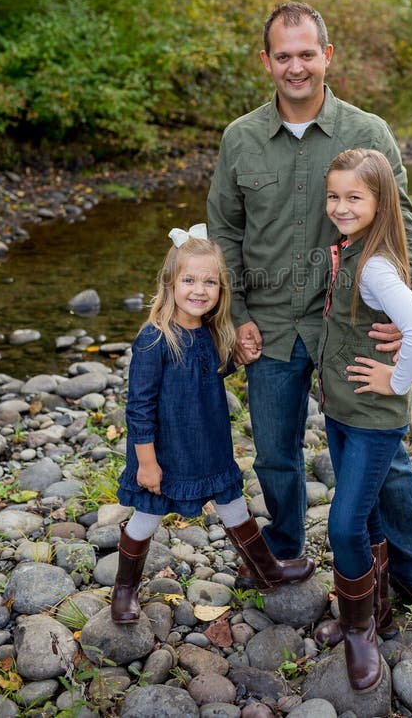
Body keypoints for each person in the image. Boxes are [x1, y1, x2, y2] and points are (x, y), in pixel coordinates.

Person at [207, 1, 412, 637]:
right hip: (268, 324)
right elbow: (224, 234)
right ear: (266, 61)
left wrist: (407, 307)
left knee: (384, 458)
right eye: (283, 55)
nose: (296, 66)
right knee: (275, 454)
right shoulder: (240, 138)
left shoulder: (367, 132)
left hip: (349, 322)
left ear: (327, 56)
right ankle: (285, 548)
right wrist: (235, 316)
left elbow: (403, 226)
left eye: (307, 53)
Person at [111, 224, 314, 624]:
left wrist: (237, 359)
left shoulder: (209, 332)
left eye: (210, 282)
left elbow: (207, 374)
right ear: (170, 283)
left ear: (221, 289)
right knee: (146, 517)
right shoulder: (154, 339)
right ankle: (124, 588)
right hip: (165, 453)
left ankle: (266, 570)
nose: (199, 290)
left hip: (209, 445)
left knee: (234, 505)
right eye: (189, 280)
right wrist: (147, 463)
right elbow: (139, 408)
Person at [317, 148, 412, 691]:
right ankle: (380, 610)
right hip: (342, 411)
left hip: (372, 419)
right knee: (366, 519)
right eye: (333, 196)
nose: (341, 207)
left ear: (380, 201)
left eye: (354, 197)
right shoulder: (350, 249)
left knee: (343, 525)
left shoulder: (375, 266)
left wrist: (396, 380)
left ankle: (359, 630)